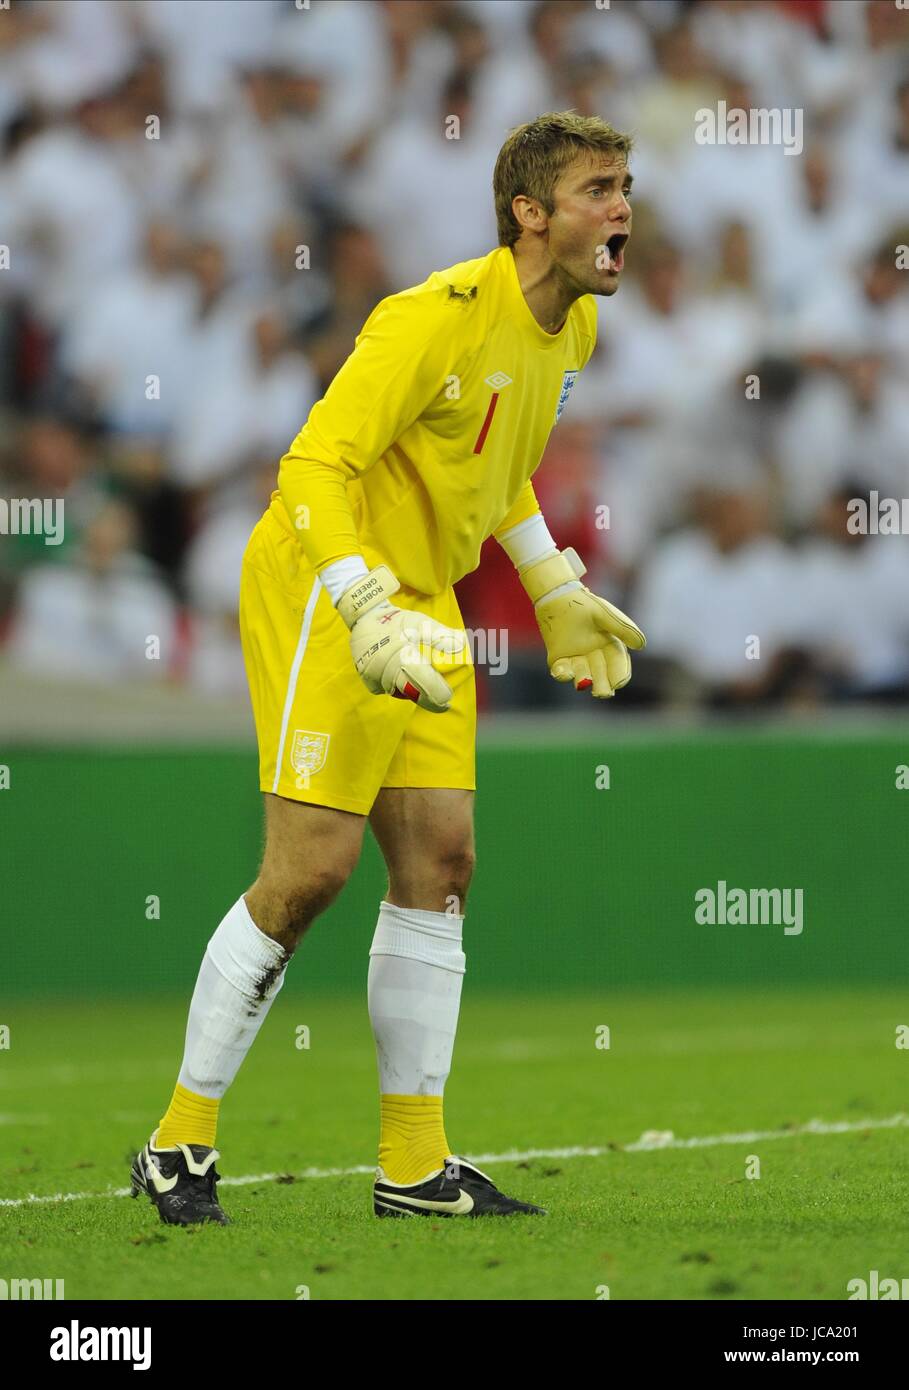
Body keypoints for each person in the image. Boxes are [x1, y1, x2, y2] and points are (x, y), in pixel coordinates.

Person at [131, 110, 645, 1225]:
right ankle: (179, 1142)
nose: (622, 210)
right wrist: (361, 600)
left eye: (627, 186)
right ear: (531, 213)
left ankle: (413, 1164)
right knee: (310, 871)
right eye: (600, 188)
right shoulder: (433, 317)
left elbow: (493, 471)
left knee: (444, 860)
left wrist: (552, 587)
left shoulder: (573, 333)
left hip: (423, 598)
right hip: (332, 580)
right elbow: (311, 466)